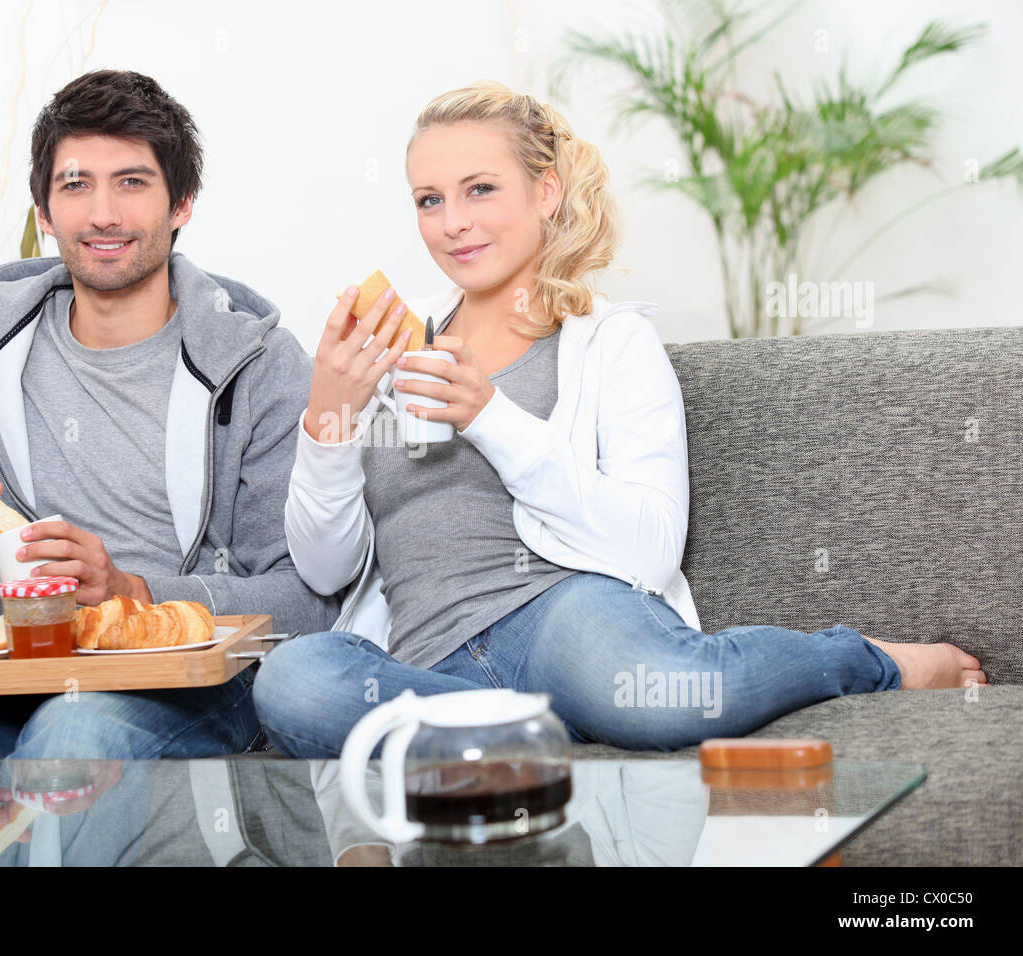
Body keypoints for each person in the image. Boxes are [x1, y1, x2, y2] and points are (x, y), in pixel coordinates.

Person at [252, 80, 987, 758]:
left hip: (566, 620)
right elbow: (326, 568)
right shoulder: (393, 355)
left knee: (676, 698)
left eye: (480, 189)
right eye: (429, 200)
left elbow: (649, 549)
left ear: (546, 191)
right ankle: (532, 735)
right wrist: (330, 418)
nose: (454, 224)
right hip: (429, 663)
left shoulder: (611, 344)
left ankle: (865, 658)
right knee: (293, 682)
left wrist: (492, 416)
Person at [0, 69, 339, 758]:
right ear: (43, 210)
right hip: (7, 672)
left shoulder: (261, 362)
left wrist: (136, 590)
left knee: (71, 737)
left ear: (180, 203)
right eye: (75, 185)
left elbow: (307, 599)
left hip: (180, 683)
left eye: (131, 182)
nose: (102, 215)